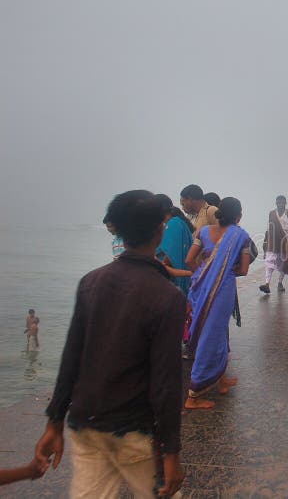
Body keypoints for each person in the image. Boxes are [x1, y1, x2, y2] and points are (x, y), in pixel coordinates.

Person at [35, 190, 185, 498]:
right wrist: (171, 452)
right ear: (159, 230)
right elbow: (166, 382)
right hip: (135, 432)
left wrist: (54, 421)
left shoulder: (91, 282)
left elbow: (71, 356)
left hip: (86, 424)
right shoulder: (168, 297)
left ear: (117, 229)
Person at [184, 197, 252, 410]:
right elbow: (243, 270)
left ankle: (221, 379)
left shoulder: (203, 232)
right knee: (211, 336)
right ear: (238, 216)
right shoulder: (241, 236)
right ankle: (193, 395)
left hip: (201, 288)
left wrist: (203, 275)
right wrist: (222, 273)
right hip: (223, 290)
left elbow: (188, 260)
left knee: (219, 332)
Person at [154, 194, 194, 295]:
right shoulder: (175, 223)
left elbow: (169, 254)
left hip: (175, 281)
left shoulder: (173, 224)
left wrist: (159, 265)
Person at [260, 195, 288, 294]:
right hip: (273, 242)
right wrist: (266, 242)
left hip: (286, 242)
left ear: (285, 203)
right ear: (276, 203)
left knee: (283, 264)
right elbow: (269, 228)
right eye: (278, 202)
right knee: (269, 263)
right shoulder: (271, 214)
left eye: (282, 202)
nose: (280, 204)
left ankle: (280, 282)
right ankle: (267, 284)